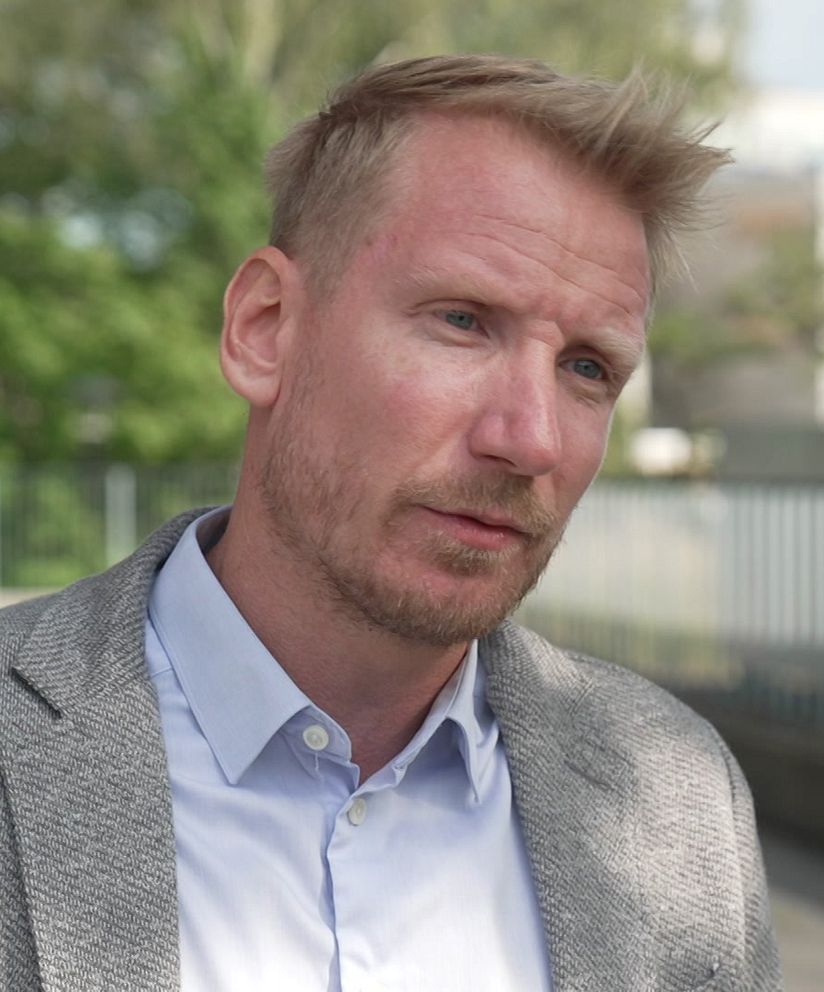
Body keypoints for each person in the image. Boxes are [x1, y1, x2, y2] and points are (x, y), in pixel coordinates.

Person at [0, 55, 781, 991]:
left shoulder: (678, 799)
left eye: (587, 369)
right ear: (264, 327)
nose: (530, 439)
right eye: (462, 321)